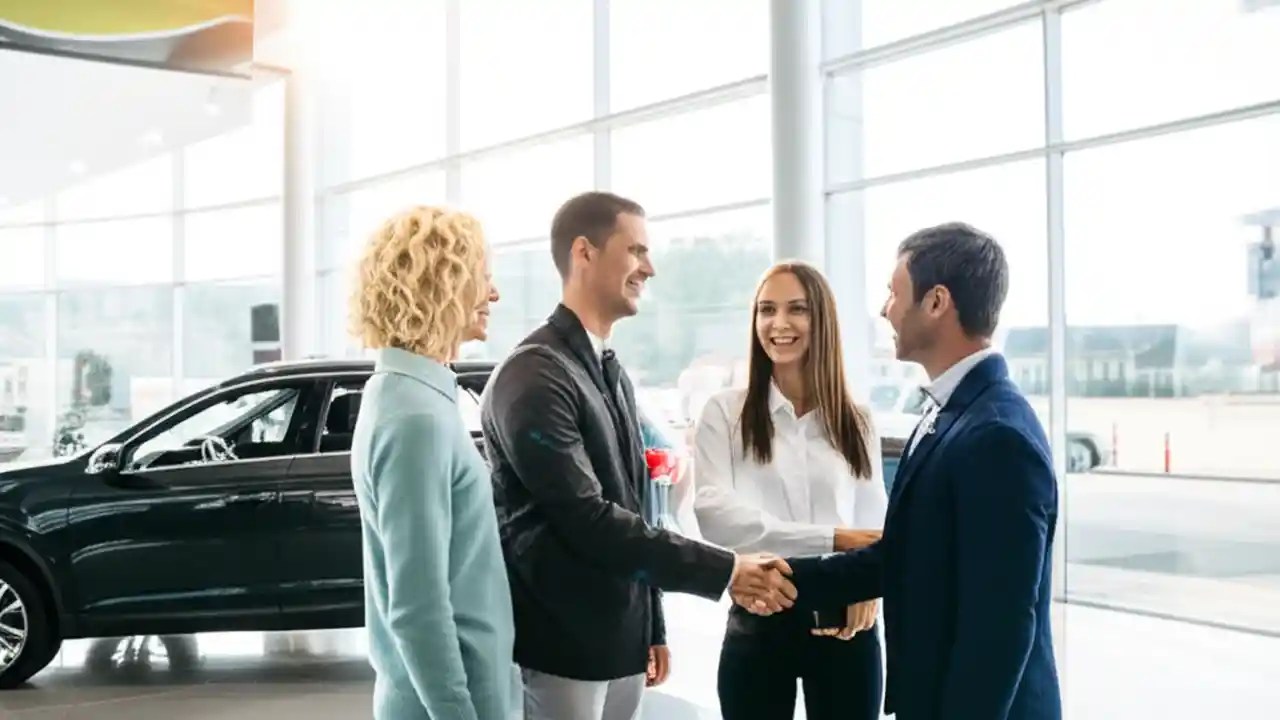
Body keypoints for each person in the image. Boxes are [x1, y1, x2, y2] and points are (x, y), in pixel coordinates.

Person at [481, 191, 797, 720]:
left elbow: (634, 502)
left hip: (619, 642)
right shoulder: (533, 376)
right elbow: (586, 517)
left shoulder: (608, 370)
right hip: (562, 648)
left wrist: (652, 625)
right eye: (636, 251)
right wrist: (725, 570)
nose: (649, 268)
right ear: (584, 252)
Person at [741, 223, 1063, 720]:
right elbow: (904, 556)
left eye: (894, 294)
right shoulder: (949, 414)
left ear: (936, 303)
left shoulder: (997, 435)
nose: (885, 310)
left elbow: (998, 627)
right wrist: (775, 578)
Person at [693, 261, 887, 720]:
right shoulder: (725, 412)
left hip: (844, 617)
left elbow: (874, 524)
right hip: (760, 608)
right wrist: (835, 539)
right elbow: (714, 514)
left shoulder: (857, 421)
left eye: (796, 309)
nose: (778, 324)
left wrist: (871, 586)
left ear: (821, 320)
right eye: (766, 310)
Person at [348, 206, 515, 720]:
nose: (494, 293)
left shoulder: (407, 397)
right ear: (441, 281)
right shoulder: (414, 418)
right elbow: (417, 608)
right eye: (482, 276)